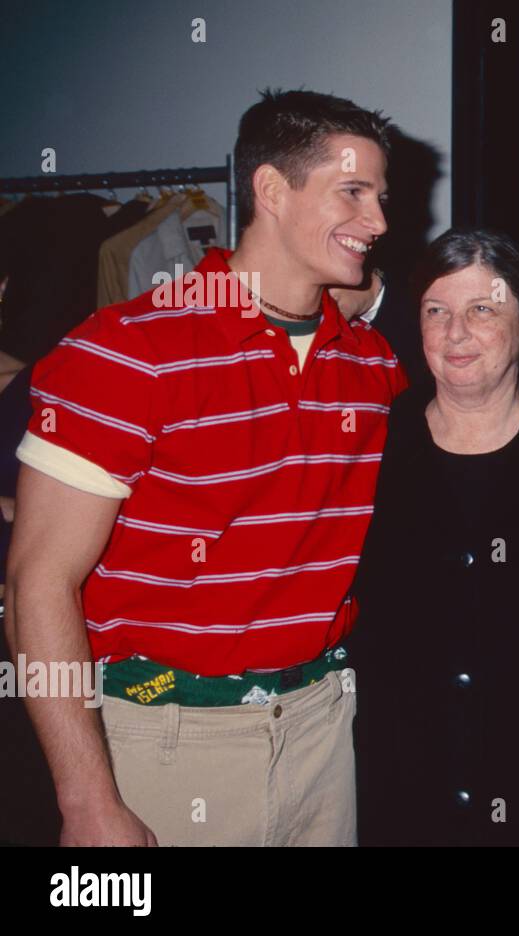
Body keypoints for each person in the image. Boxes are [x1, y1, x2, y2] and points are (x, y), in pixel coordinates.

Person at [4, 89, 404, 846]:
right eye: (353, 192)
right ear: (271, 191)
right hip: (161, 739)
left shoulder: (370, 362)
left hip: (324, 728)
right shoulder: (125, 350)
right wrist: (86, 802)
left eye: (381, 197)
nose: (380, 220)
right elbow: (37, 583)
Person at [350, 229, 519, 845]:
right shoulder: (372, 443)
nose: (456, 333)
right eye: (437, 311)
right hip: (400, 790)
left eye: (484, 309)